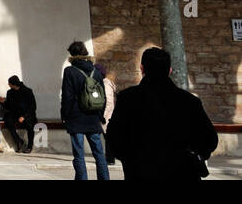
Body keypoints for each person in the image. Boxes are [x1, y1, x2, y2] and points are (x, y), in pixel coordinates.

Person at [105, 46, 218, 181]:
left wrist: (130, 160)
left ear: (142, 68)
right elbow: (210, 140)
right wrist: (194, 156)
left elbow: (114, 137)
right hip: (183, 173)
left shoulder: (127, 99)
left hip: (140, 172)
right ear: (169, 70)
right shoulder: (189, 101)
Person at [60, 40, 109, 180]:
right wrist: (100, 116)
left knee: (79, 154)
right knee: (99, 153)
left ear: (71, 54)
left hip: (76, 118)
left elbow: (67, 96)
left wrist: (65, 115)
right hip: (93, 117)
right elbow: (103, 97)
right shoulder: (96, 72)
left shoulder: (70, 71)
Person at [1, 75, 37, 153]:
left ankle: (29, 146)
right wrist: (3, 102)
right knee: (8, 121)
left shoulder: (27, 91)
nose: (8, 85)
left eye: (9, 83)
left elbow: (33, 106)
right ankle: (19, 141)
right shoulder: (10, 92)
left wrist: (24, 116)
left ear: (13, 84)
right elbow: (8, 106)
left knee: (30, 126)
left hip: (27, 114)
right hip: (15, 114)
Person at [95, 63, 116, 133]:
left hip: (106, 120)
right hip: (105, 119)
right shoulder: (103, 83)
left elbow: (108, 103)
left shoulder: (105, 85)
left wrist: (102, 117)